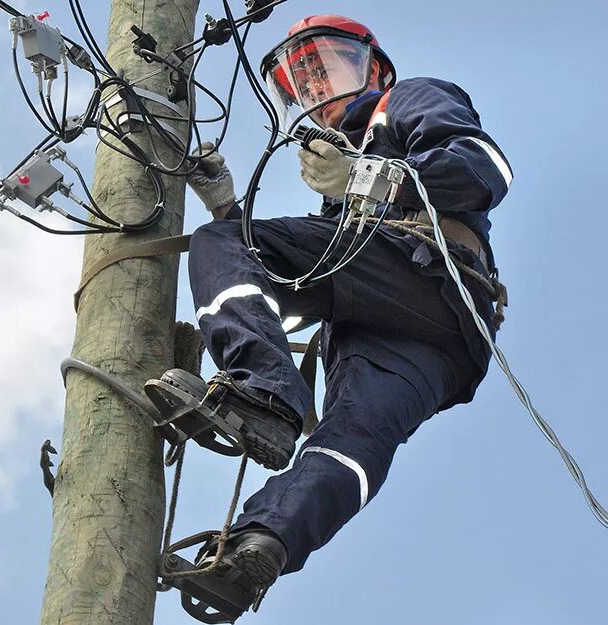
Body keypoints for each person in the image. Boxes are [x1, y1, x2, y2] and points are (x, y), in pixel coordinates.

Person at [181, 13, 513, 617]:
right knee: (353, 439)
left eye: (323, 66)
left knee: (218, 246)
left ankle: (265, 395)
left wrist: (369, 175)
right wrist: (227, 202)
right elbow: (288, 273)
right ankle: (261, 550)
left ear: (371, 67)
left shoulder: (408, 101)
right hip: (431, 338)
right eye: (299, 84)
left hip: (427, 277)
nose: (312, 89)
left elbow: (482, 170)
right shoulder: (341, 186)